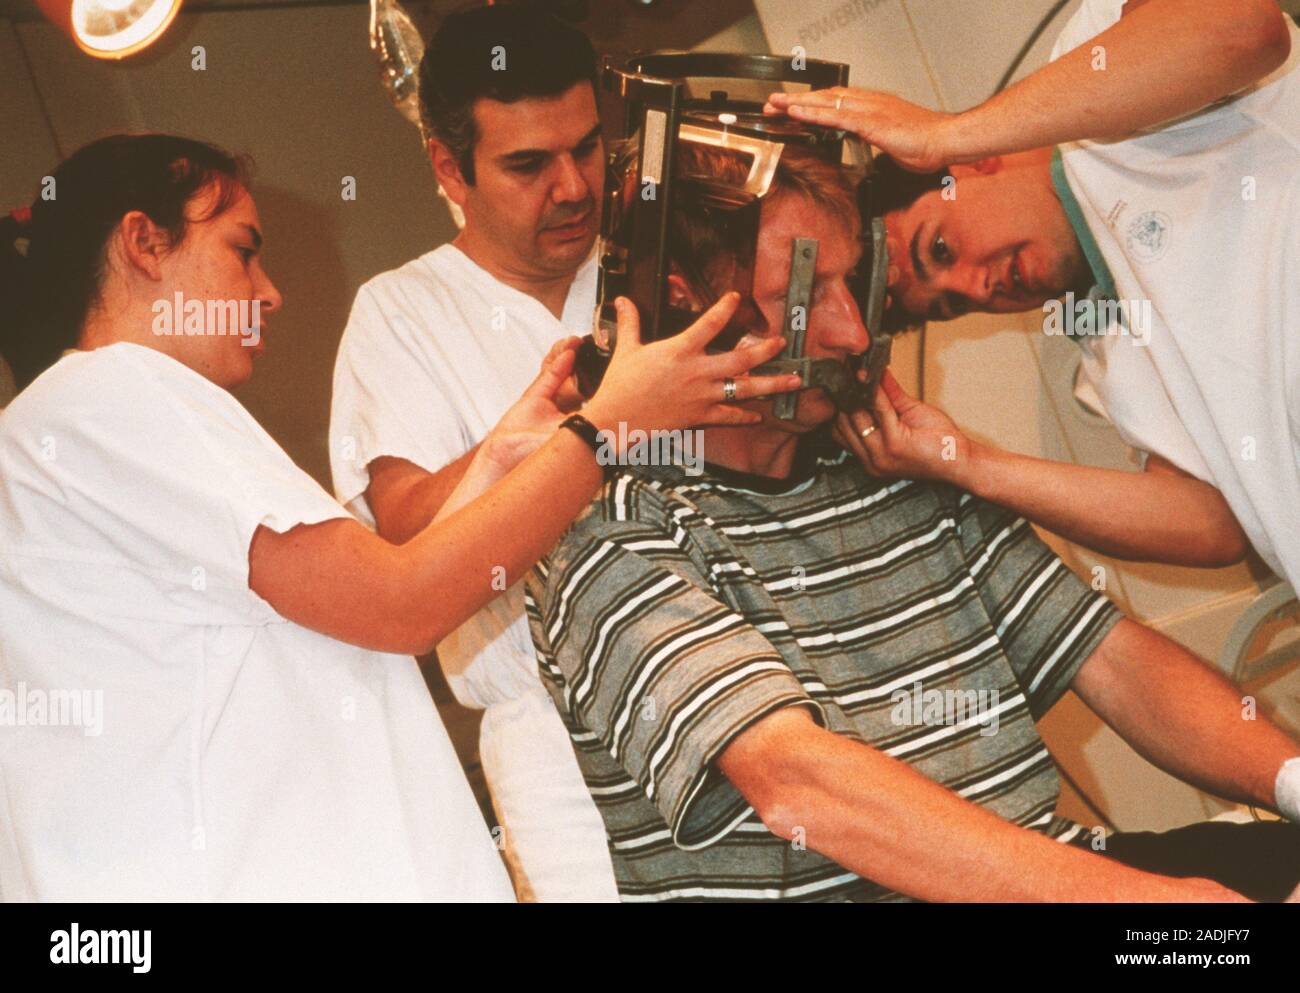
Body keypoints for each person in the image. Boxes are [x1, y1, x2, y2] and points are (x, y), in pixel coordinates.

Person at [0, 132, 795, 901]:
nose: (269, 290)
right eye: (244, 248)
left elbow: (343, 609)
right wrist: (604, 429)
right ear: (144, 242)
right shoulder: (114, 395)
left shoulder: (67, 429)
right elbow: (398, 604)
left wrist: (501, 458)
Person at [524, 142, 1300, 902]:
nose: (854, 334)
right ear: (686, 299)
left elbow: (1114, 662)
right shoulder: (607, 530)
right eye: (804, 296)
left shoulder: (887, 469)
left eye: (849, 283)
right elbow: (801, 786)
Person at [765, 0, 1299, 586]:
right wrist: (969, 464)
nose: (976, 286)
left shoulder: (1102, 89)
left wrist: (949, 132)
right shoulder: (1111, 366)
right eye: (954, 304)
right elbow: (1220, 526)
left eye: (939, 249)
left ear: (964, 166)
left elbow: (1242, 28)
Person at [329, 5, 612, 900]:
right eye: (528, 165)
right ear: (449, 167)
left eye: (588, 148)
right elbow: (402, 534)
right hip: (559, 747)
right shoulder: (401, 312)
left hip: (753, 689)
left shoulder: (660, 261)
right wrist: (529, 445)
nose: (571, 187)